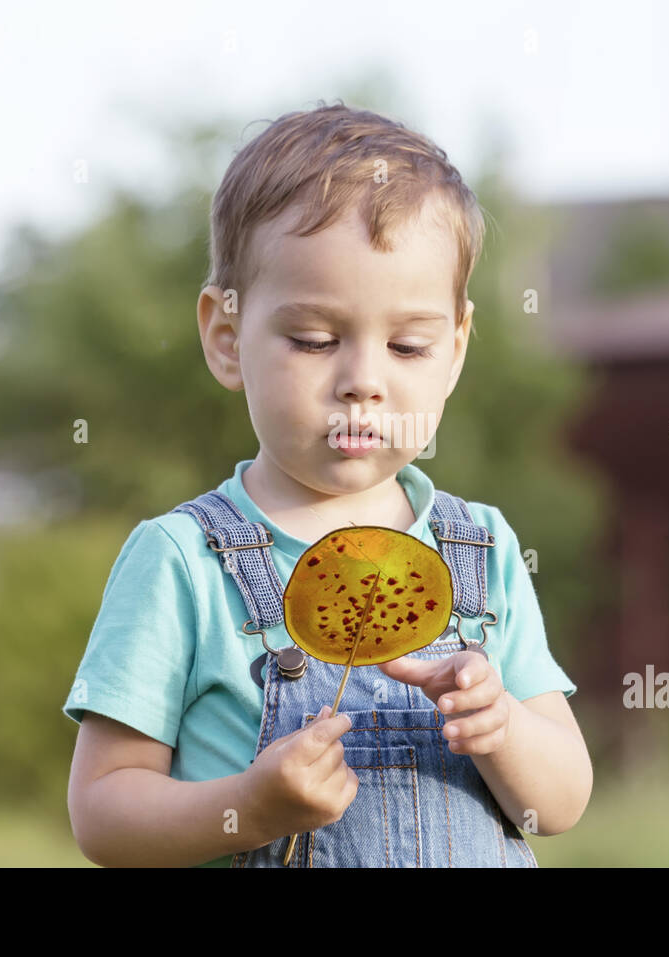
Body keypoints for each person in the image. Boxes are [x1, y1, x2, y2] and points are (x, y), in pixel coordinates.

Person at [63, 101, 591, 867]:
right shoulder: (183, 560)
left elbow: (562, 801)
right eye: (313, 339)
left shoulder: (481, 549)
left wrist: (500, 725)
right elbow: (104, 812)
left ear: (456, 348)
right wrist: (247, 807)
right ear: (226, 337)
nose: (362, 382)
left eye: (408, 346)